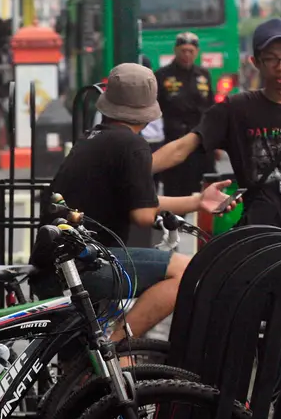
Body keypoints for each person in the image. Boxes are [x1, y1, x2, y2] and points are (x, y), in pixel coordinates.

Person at [152, 19, 281, 343]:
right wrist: (134, 167)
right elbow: (184, 146)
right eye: (271, 58)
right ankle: (270, 395)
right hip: (261, 241)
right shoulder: (238, 109)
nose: (280, 66)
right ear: (256, 62)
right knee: (265, 334)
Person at [35, 63, 235, 344]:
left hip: (58, 261)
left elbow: (141, 187)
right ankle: (114, 344)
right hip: (84, 265)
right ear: (148, 110)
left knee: (83, 372)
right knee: (187, 271)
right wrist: (198, 202)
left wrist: (197, 199)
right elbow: (143, 213)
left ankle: (106, 358)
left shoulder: (94, 138)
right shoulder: (131, 145)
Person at [154, 32, 215, 196]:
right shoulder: (162, 75)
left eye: (191, 50)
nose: (187, 54)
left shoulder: (203, 75)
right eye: (183, 50)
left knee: (204, 190)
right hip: (174, 140)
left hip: (200, 141)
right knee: (175, 190)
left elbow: (212, 108)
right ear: (175, 50)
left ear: (196, 52)